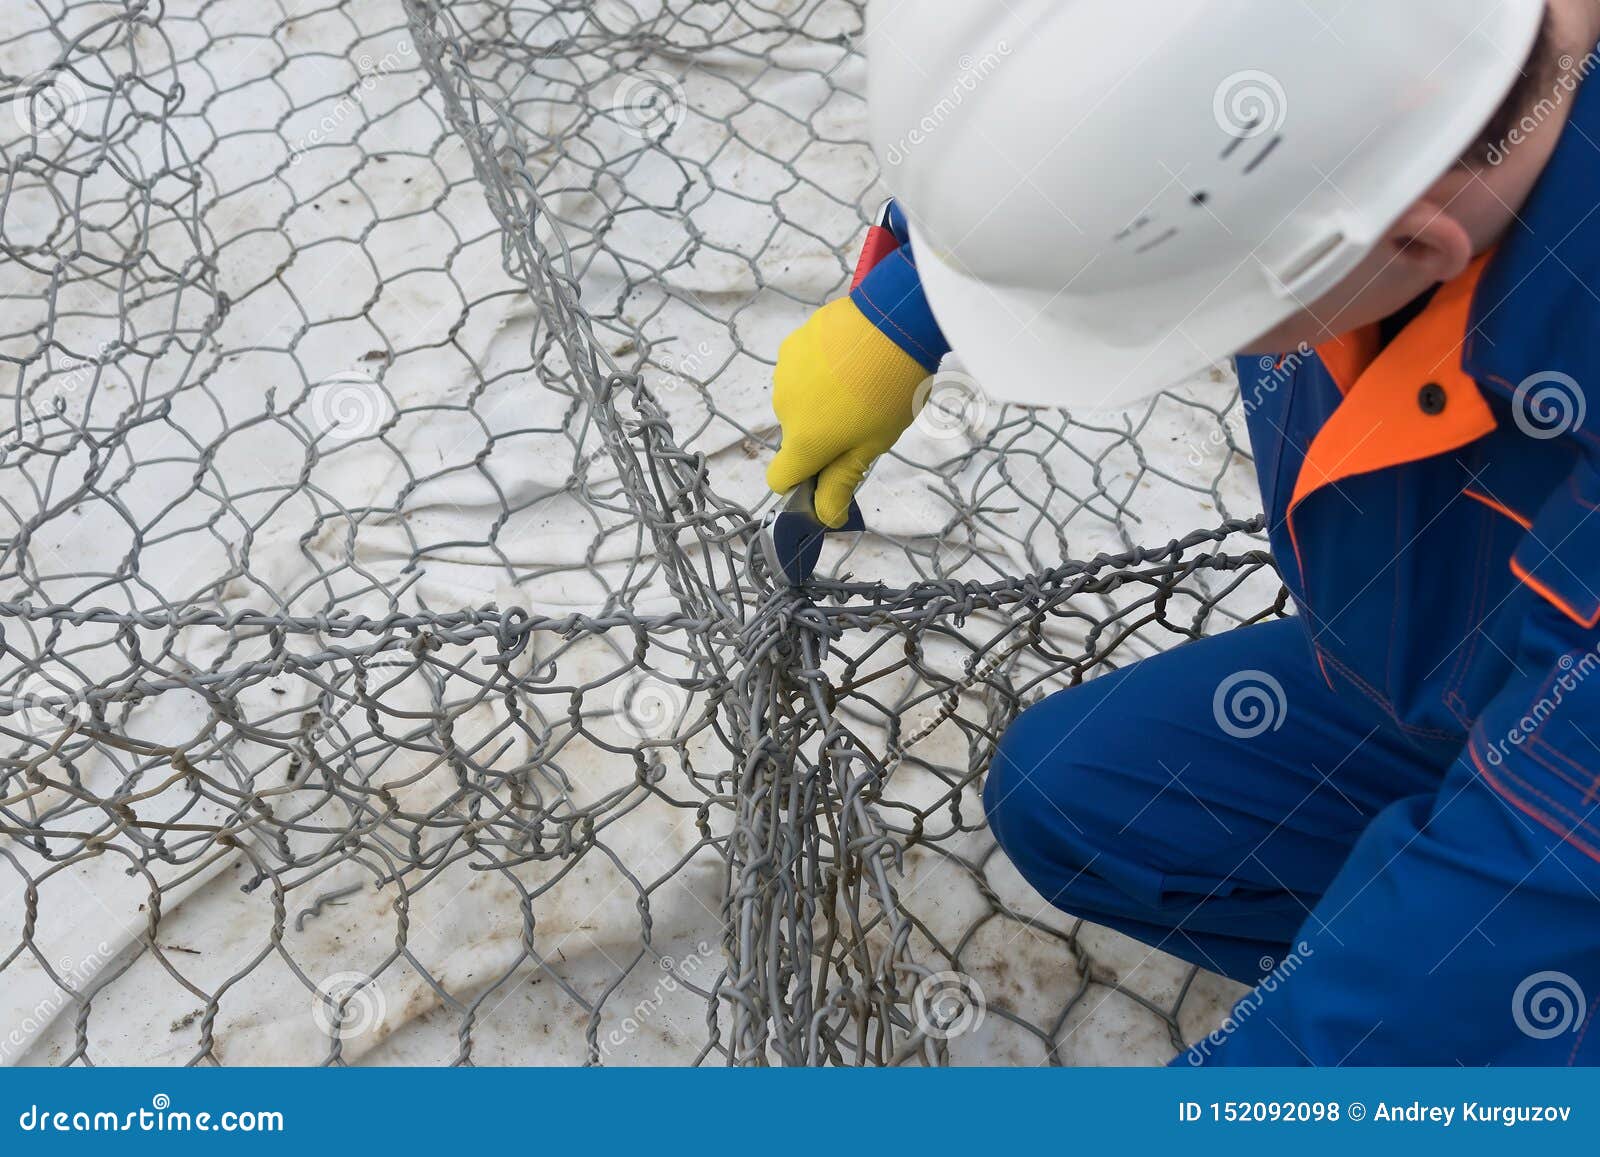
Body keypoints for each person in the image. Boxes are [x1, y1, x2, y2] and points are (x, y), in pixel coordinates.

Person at [766, 0, 1600, 1064]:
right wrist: (913, 298)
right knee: (1084, 793)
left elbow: (1544, 846)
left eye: (1199, 318)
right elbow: (1105, 67)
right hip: (1454, 662)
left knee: (1459, 989)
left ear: (1415, 240)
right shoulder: (1384, 121)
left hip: (1563, 775)